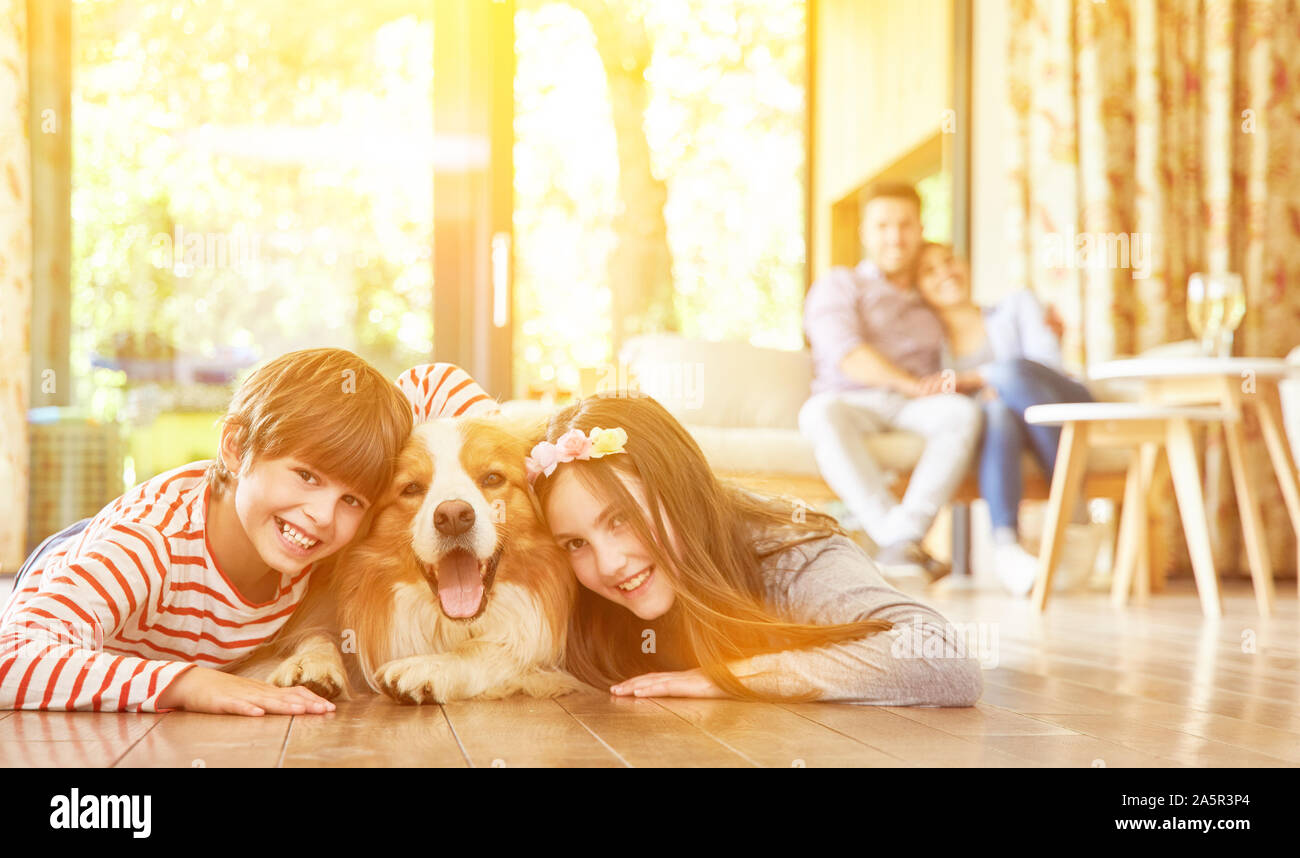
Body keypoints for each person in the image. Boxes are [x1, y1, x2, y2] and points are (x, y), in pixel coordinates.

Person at [0, 350, 495, 713]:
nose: (323, 515)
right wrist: (187, 684)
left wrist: (537, 459)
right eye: (306, 475)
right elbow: (12, 658)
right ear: (236, 448)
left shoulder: (305, 531)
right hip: (71, 569)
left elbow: (431, 381)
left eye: (351, 500)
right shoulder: (149, 547)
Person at [528, 393, 983, 706]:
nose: (608, 564)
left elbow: (941, 657)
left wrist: (727, 679)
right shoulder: (569, 592)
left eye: (621, 518)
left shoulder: (789, 551)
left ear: (679, 487)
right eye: (576, 543)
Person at [799, 181, 982, 581]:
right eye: (882, 226)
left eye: (905, 225)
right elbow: (847, 354)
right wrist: (910, 385)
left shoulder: (930, 295)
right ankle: (899, 537)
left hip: (914, 407)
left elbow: (977, 321)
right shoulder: (840, 284)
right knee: (818, 414)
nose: (894, 237)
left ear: (920, 229)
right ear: (865, 232)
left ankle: (900, 539)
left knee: (961, 414)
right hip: (853, 402)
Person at [914, 241, 1095, 596]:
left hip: (1065, 405)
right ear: (918, 289)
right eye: (930, 272)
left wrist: (980, 379)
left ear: (964, 263)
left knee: (1010, 375)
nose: (945, 273)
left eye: (949, 260)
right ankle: (1007, 548)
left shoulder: (1016, 305)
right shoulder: (933, 349)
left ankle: (1073, 514)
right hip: (1004, 429)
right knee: (996, 411)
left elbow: (1046, 365)